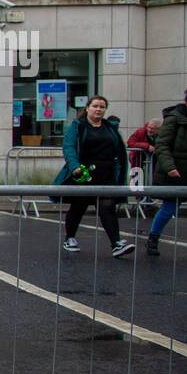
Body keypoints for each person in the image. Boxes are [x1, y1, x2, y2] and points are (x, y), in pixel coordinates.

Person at [53, 95, 134, 257]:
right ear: (88, 108)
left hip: (107, 175)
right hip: (84, 174)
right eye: (95, 106)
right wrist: (74, 166)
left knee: (107, 207)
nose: (98, 109)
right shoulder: (78, 126)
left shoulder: (109, 127)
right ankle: (69, 238)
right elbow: (68, 147)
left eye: (102, 107)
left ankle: (116, 244)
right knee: (78, 206)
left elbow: (118, 150)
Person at [147, 88, 187, 256]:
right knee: (169, 207)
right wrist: (170, 167)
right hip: (177, 170)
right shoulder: (174, 118)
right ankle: (153, 239)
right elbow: (162, 145)